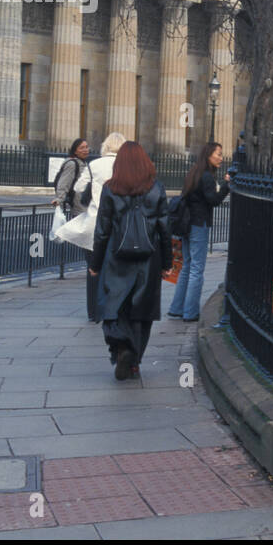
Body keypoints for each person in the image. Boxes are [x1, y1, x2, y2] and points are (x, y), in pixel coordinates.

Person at [88, 141, 172, 380]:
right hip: (148, 259)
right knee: (141, 313)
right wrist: (167, 263)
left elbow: (102, 230)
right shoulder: (156, 188)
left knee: (113, 307)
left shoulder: (110, 189)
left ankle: (121, 347)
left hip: (117, 257)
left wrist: (95, 263)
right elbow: (165, 229)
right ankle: (133, 361)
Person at [55, 132, 127, 321]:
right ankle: (114, 309)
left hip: (96, 220)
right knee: (116, 267)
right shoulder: (125, 165)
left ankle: (94, 312)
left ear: (106, 146)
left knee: (94, 267)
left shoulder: (94, 165)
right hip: (120, 222)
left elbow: (78, 187)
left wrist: (93, 190)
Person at [168, 142, 231, 322]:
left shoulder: (193, 173)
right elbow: (213, 200)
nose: (220, 158)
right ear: (209, 155)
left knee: (186, 266)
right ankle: (190, 312)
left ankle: (177, 308)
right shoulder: (207, 177)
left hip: (186, 225)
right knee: (196, 269)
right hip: (198, 224)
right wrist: (227, 186)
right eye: (218, 154)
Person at [52, 138, 91, 225]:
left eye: (86, 147)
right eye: (82, 148)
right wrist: (59, 199)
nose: (85, 150)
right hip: (79, 205)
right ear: (75, 151)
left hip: (86, 204)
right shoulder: (72, 164)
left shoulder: (84, 163)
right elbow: (64, 183)